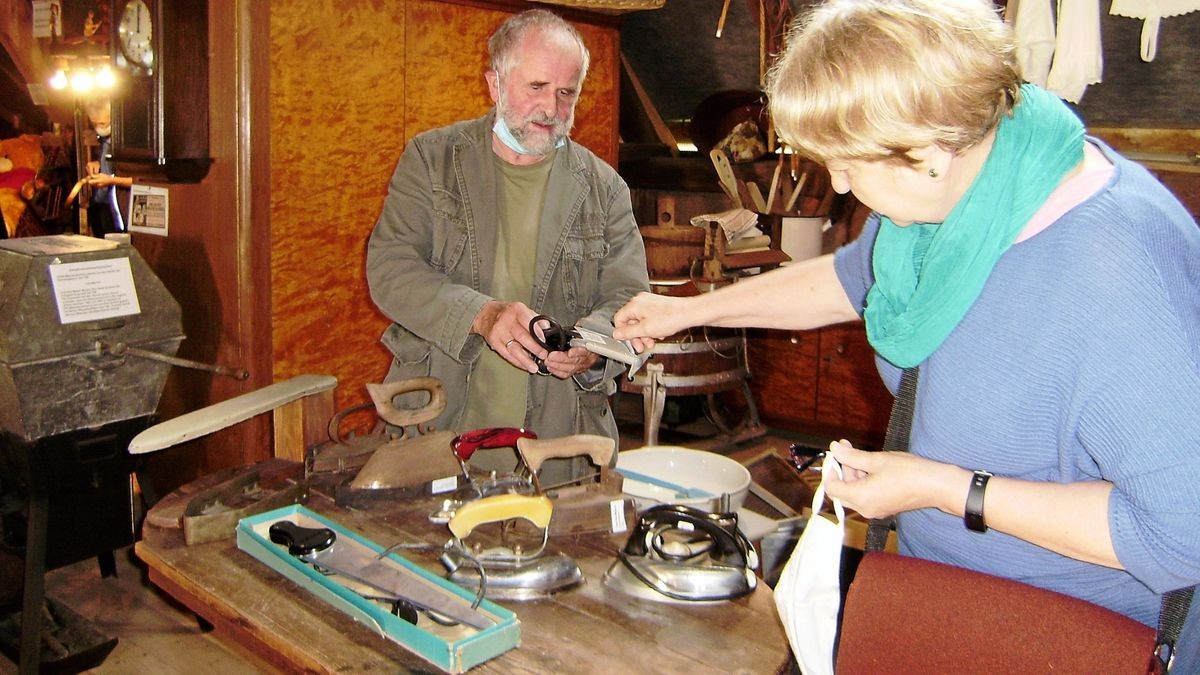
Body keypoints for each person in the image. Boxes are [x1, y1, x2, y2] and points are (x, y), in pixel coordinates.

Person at [613, 0, 1200, 669]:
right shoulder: (953, 198)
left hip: (1066, 634)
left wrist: (944, 488)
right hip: (939, 595)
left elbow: (1180, 533)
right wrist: (686, 311)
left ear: (927, 147)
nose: (838, 183)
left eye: (847, 162)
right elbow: (844, 280)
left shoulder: (1118, 266)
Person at [366, 9, 648, 483]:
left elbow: (630, 301)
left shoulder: (605, 189)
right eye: (536, 87)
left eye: (566, 93)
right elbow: (390, 269)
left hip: (561, 443)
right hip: (436, 425)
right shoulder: (432, 160)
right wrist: (482, 314)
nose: (553, 109)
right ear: (495, 84)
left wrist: (595, 348)